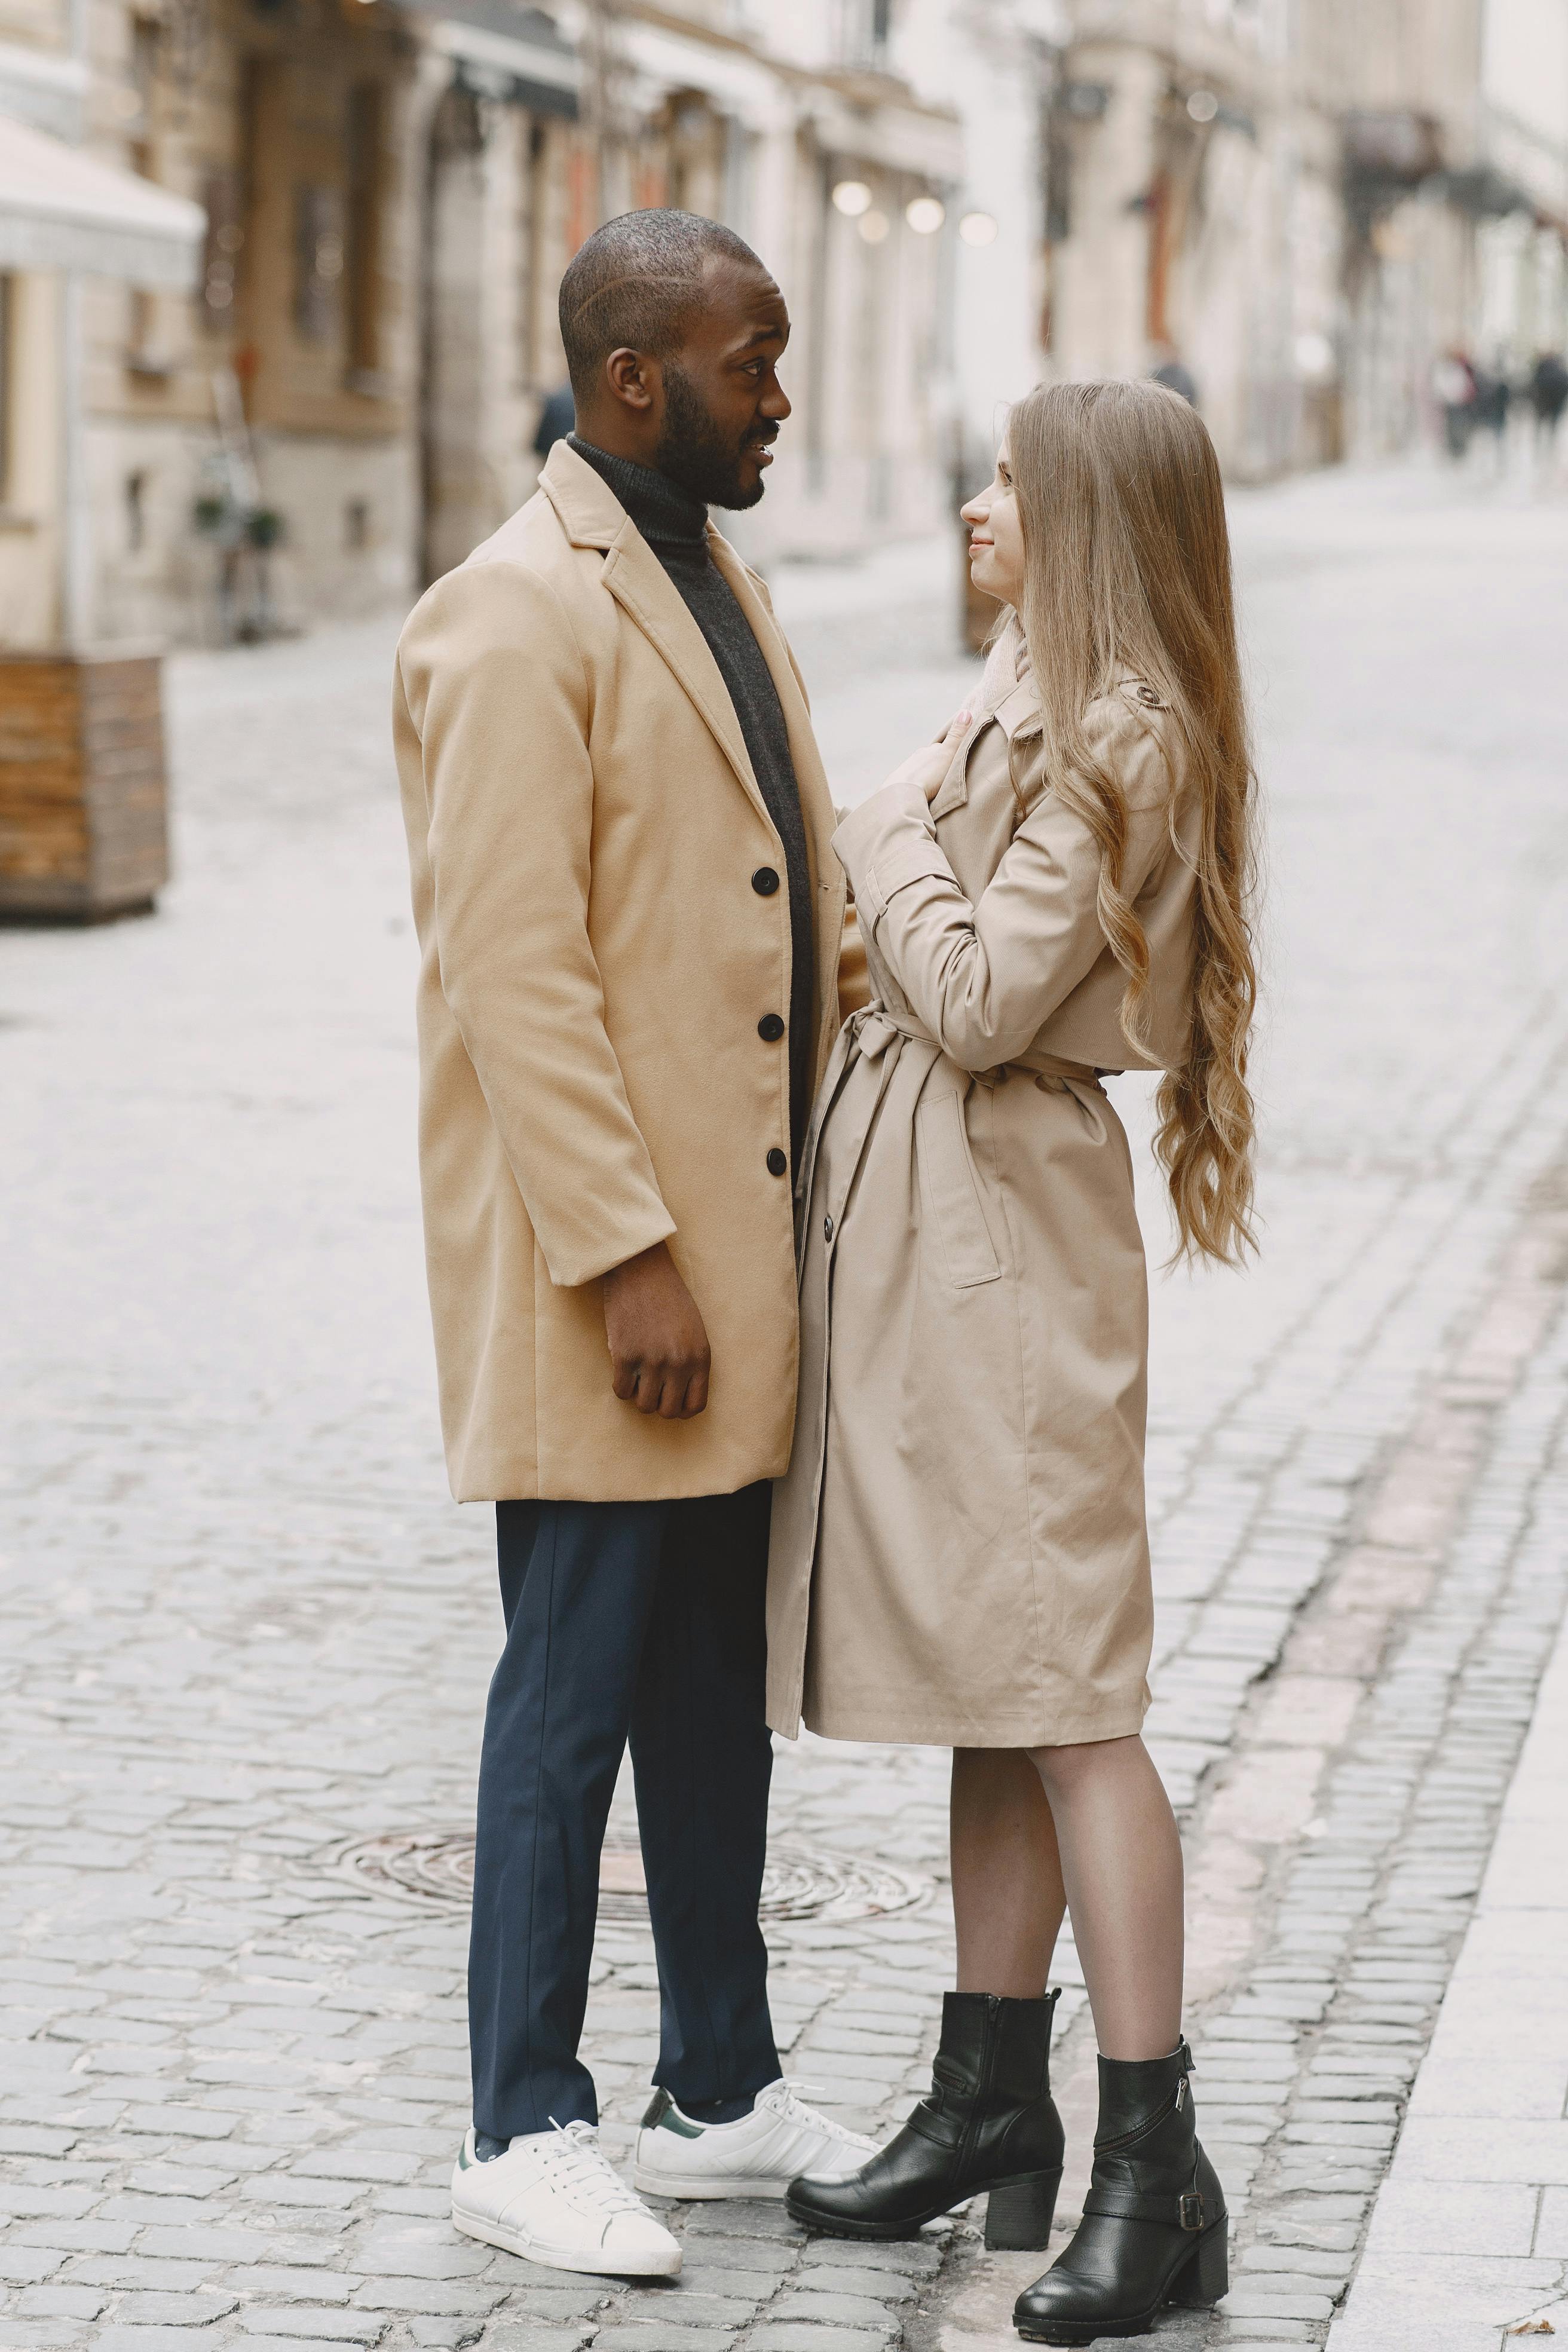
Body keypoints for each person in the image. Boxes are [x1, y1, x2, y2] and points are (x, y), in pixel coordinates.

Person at [393, 209, 875, 2283]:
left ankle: (719, 2086)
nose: (781, 395)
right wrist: (627, 1256)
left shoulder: (703, 569)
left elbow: (787, 887)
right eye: (752, 360)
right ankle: (521, 2118)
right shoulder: (510, 617)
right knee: (569, 1691)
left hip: (740, 1266)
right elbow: (514, 973)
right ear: (632, 380)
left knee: (703, 1690)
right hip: (627, 1283)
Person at [770, 379, 1259, 2344]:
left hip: (1008, 1242)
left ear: (1081, 522)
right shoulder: (1025, 688)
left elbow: (971, 995)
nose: (970, 503)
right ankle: (989, 2099)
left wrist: (876, 826)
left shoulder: (1121, 731)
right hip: (934, 1226)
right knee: (998, 1669)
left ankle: (1160, 2161)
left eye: (1002, 482)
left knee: (1067, 1693)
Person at [1432, 349, 1477, 460]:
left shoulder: (1457, 370)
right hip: (1449, 404)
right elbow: (1439, 386)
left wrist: (1458, 396)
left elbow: (1464, 384)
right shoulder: (1444, 370)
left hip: (1459, 403)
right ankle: (1453, 452)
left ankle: (1459, 451)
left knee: (1459, 427)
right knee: (1450, 428)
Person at [1527, 349, 1568, 463]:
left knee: (1539, 427)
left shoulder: (1541, 370)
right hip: (1555, 406)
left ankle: (1539, 450)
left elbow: (1532, 388)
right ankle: (1550, 449)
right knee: (1552, 428)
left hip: (1542, 406)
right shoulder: (1561, 372)